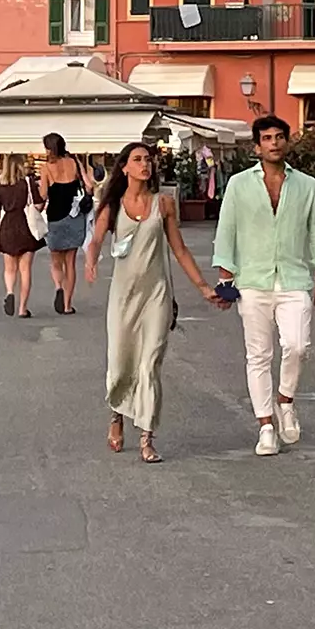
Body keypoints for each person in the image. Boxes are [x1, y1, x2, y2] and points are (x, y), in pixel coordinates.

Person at [85, 142, 228, 463]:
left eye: (147, 160)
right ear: (124, 168)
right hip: (123, 298)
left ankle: (148, 436)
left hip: (157, 297)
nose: (144, 165)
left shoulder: (163, 204)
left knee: (150, 365)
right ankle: (117, 416)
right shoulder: (113, 207)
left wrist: (203, 287)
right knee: (120, 364)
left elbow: (179, 250)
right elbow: (94, 240)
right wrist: (91, 261)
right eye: (137, 160)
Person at [213, 115, 315, 458]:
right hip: (252, 280)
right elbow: (227, 232)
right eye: (267, 138)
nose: (275, 142)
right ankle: (266, 426)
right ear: (257, 146)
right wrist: (225, 282)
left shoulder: (307, 185)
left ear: (287, 141)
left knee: (297, 346)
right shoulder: (238, 184)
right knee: (258, 355)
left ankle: (285, 401)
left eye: (280, 136)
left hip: (295, 279)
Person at [39, 133, 92, 315]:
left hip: (55, 216)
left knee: (55, 260)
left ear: (49, 148)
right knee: (70, 262)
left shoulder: (46, 168)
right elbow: (90, 186)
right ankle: (68, 305)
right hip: (75, 215)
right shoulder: (74, 162)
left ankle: (58, 287)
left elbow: (43, 195)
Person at [0, 155, 43, 317]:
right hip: (25, 226)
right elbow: (39, 205)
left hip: (7, 227)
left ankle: (9, 292)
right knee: (25, 269)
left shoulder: (0, 186)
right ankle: (22, 309)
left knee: (9, 268)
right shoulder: (27, 184)